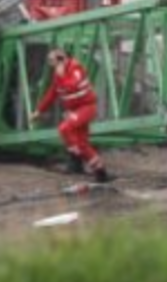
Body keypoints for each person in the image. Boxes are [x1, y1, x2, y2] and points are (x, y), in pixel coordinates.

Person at [33, 48, 111, 183]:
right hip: (75, 110)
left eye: (51, 60)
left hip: (86, 108)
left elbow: (73, 84)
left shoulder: (75, 68)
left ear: (61, 59)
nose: (50, 63)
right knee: (83, 144)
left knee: (64, 128)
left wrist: (63, 76)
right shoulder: (57, 75)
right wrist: (39, 111)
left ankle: (75, 153)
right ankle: (101, 172)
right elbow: (52, 93)